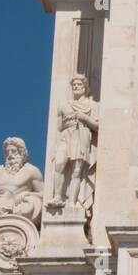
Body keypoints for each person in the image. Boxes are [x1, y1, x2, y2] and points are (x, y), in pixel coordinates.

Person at [54, 73, 98, 214]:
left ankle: (72, 202)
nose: (76, 87)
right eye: (74, 85)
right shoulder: (63, 105)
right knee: (59, 164)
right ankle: (57, 197)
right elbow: (60, 126)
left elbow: (97, 126)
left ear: (85, 87)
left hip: (82, 134)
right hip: (67, 135)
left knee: (77, 171)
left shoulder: (92, 105)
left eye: (79, 84)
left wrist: (84, 117)